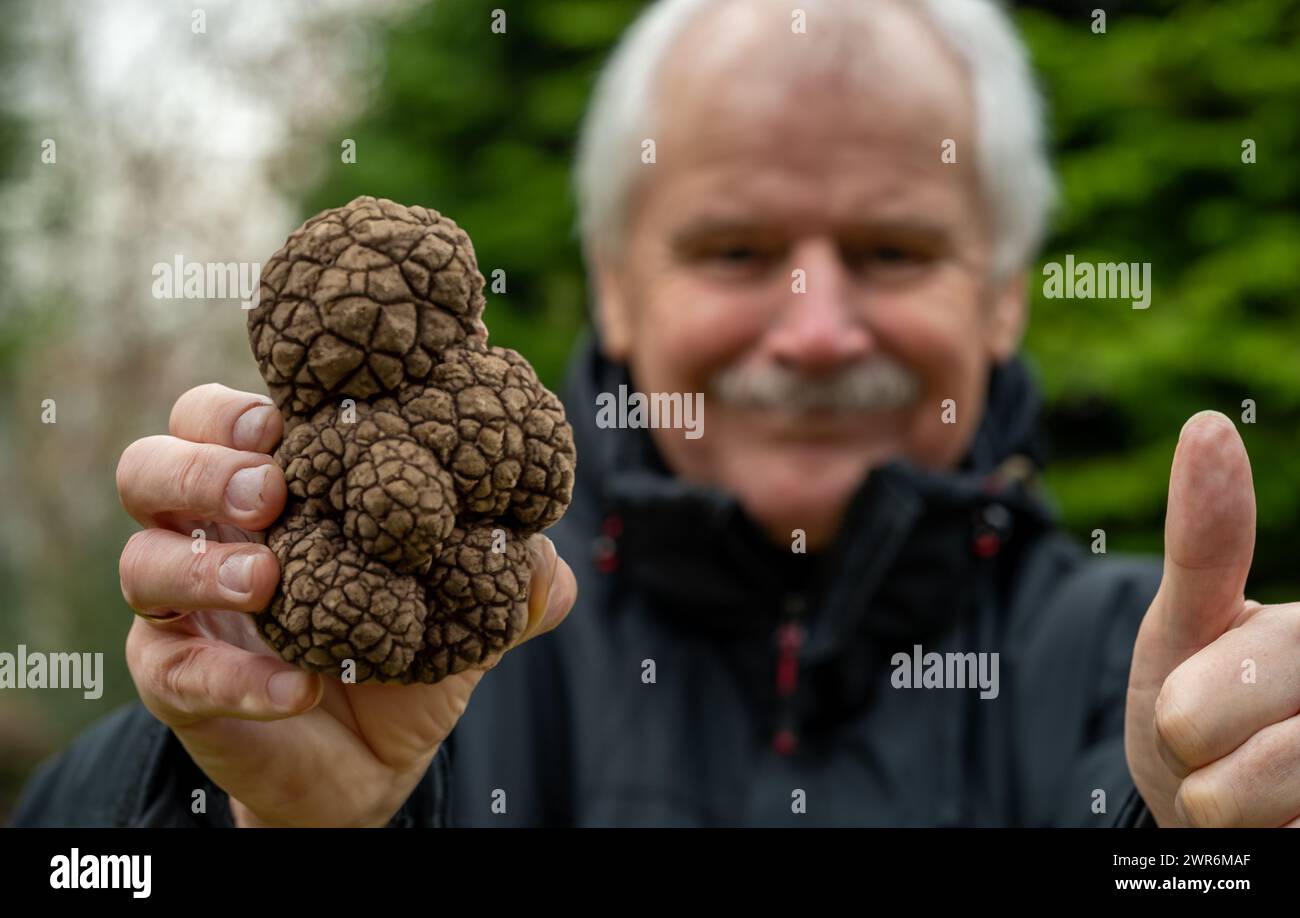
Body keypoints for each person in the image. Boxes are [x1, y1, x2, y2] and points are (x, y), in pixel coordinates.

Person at [12, 0, 1293, 828]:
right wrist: (238, 818)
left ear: (1003, 300)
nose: (812, 330)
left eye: (894, 253)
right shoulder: (409, 637)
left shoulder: (1164, 694)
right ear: (617, 290)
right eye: (734, 251)